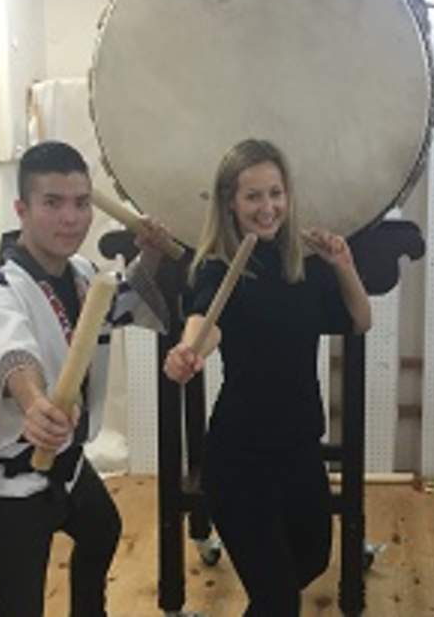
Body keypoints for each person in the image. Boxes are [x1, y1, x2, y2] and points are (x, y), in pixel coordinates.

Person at [0, 140, 176, 617]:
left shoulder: (80, 273)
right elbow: (13, 353)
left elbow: (117, 306)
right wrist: (35, 402)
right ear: (22, 209)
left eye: (81, 203)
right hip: (13, 480)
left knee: (102, 529)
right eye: (52, 203)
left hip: (67, 463)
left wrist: (151, 257)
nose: (71, 218)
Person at [162, 138, 371, 616]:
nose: (267, 207)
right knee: (277, 599)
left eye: (275, 193)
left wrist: (344, 266)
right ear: (230, 203)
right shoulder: (218, 268)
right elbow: (205, 323)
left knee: (314, 559)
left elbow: (361, 320)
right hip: (240, 458)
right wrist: (187, 351)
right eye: (253, 196)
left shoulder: (304, 264)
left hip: (298, 445)